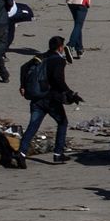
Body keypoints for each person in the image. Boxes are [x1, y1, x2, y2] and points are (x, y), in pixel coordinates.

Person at [19, 36, 76, 167]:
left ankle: (21, 153)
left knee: (33, 126)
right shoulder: (59, 61)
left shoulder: (39, 57)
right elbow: (58, 79)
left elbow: (23, 68)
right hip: (51, 99)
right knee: (62, 122)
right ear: (61, 48)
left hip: (36, 98)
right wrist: (69, 92)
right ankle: (58, 154)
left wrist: (22, 86)